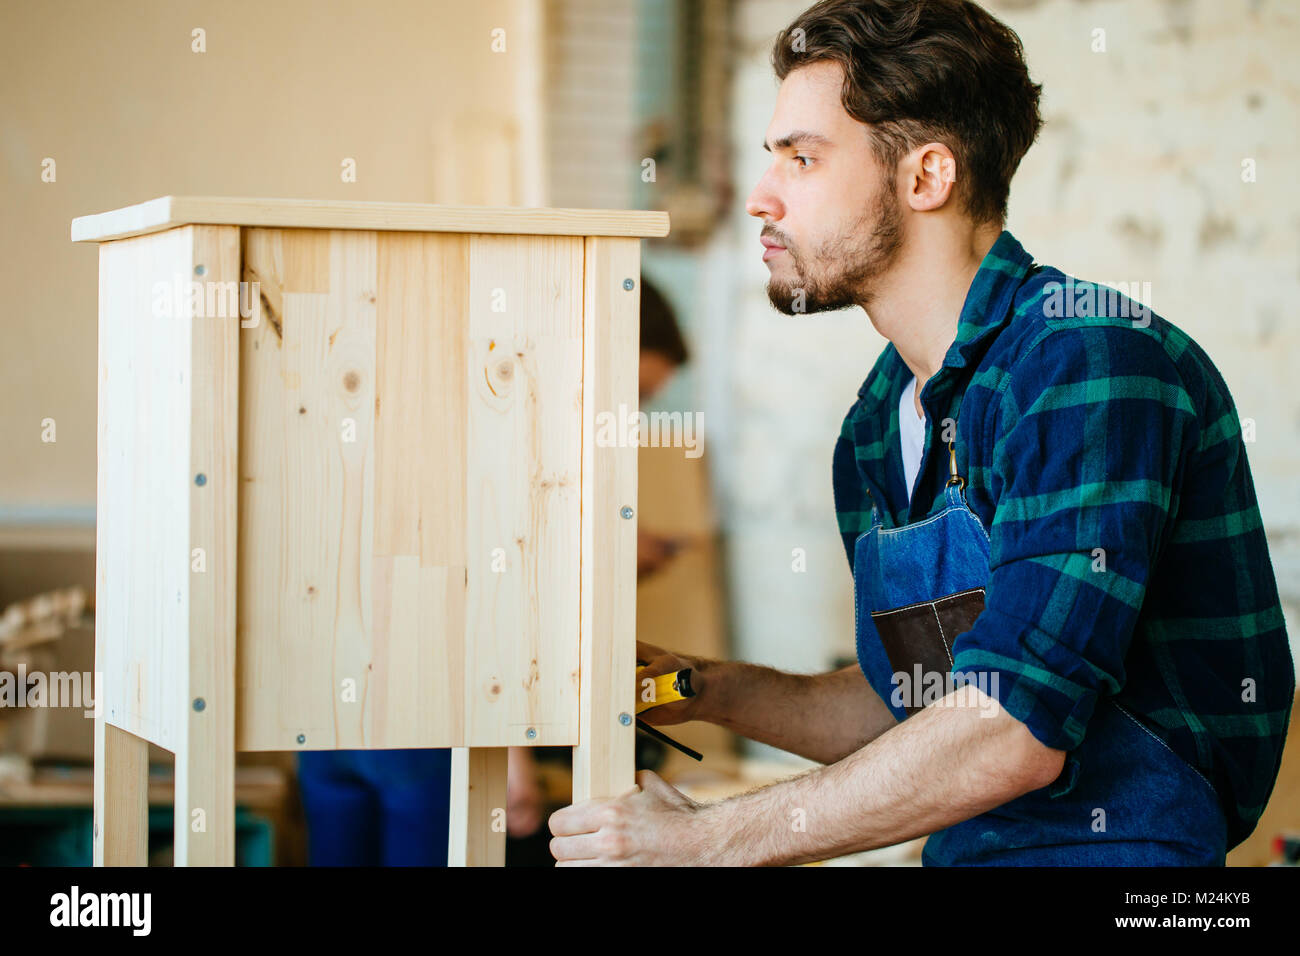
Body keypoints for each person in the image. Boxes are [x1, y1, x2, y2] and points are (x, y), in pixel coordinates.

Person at [547, 0, 1294, 866]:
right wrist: (702, 687)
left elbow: (1010, 728)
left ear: (927, 176)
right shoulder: (876, 423)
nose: (761, 196)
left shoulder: (1088, 366)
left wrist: (705, 842)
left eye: (803, 157)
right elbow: (922, 703)